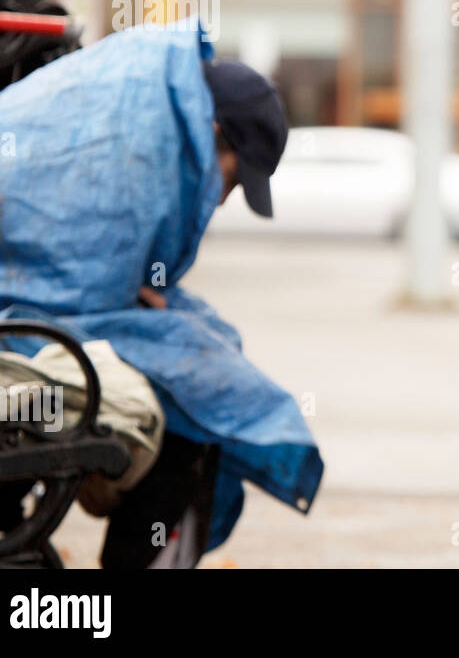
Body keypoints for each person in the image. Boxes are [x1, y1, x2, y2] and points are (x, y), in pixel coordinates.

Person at [111, 58, 287, 569]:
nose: (228, 199)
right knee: (192, 407)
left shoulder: (150, 153)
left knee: (215, 351)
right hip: (8, 318)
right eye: (235, 180)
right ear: (213, 133)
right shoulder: (132, 156)